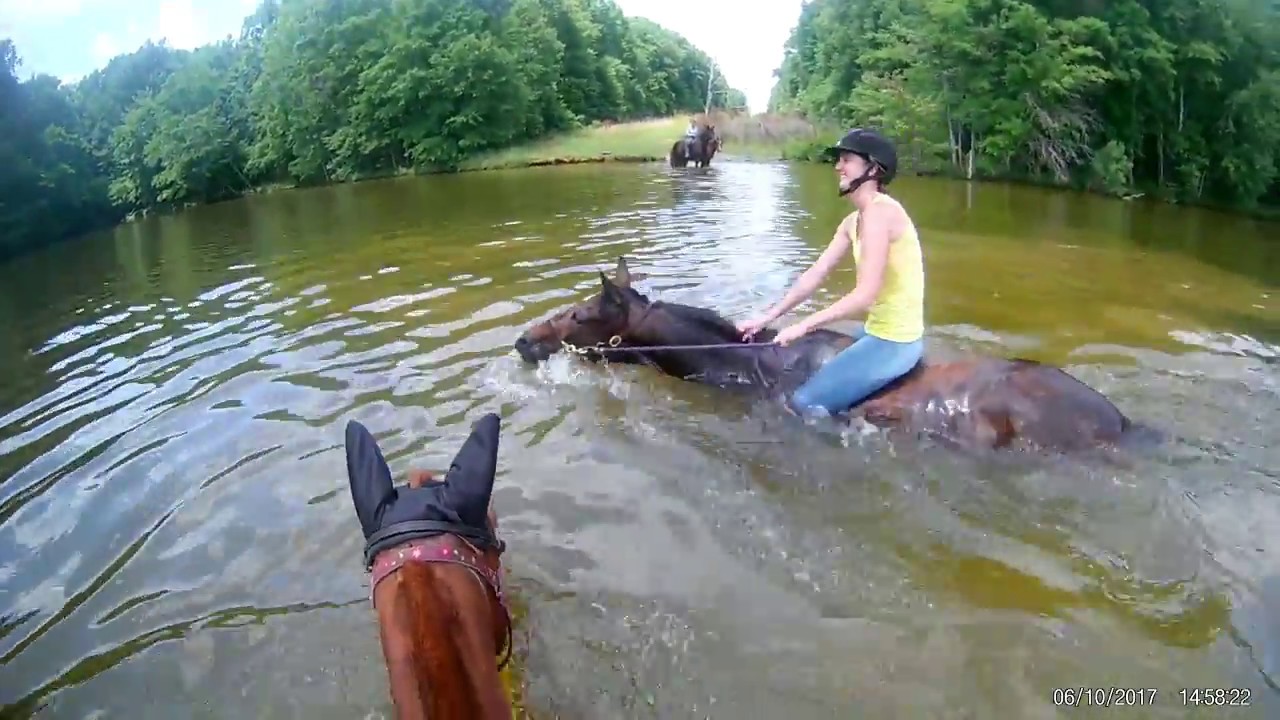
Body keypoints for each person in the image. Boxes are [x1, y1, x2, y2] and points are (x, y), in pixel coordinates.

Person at [737, 128, 925, 417]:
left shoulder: (880, 213)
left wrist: (802, 325)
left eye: (847, 159)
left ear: (873, 168)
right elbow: (815, 275)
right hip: (876, 328)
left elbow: (865, 294)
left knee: (803, 404)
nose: (838, 166)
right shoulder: (854, 221)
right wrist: (767, 318)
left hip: (896, 340)